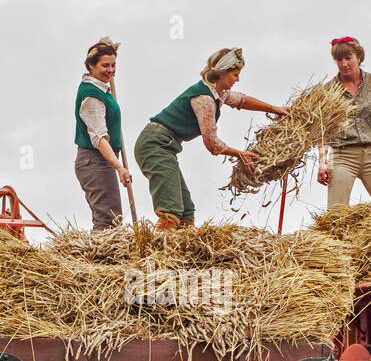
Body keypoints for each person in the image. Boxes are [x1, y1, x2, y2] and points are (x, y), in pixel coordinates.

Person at [134, 47, 288, 229]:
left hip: (165, 145)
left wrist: (274, 109)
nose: (238, 79)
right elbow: (212, 144)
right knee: (171, 210)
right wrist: (240, 154)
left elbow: (242, 100)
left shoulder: (218, 93)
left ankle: (181, 254)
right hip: (155, 144)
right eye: (235, 75)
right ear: (223, 73)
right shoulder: (204, 99)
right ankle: (157, 254)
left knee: (186, 213)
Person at [317, 36, 371, 208]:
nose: (344, 63)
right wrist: (322, 163)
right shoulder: (329, 90)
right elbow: (323, 130)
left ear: (359, 57)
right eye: (339, 59)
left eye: (348, 58)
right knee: (336, 212)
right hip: (342, 156)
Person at [74, 37, 132, 231]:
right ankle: (100, 261)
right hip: (94, 161)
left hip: (102, 160)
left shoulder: (102, 89)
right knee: (108, 219)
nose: (111, 70)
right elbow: (99, 138)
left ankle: (105, 260)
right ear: (91, 66)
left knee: (112, 218)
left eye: (114, 65)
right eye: (105, 65)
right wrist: (120, 167)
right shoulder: (91, 95)